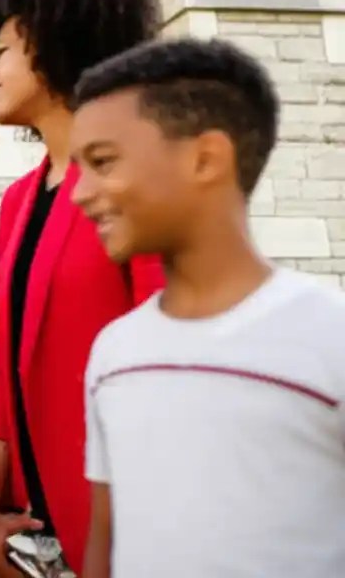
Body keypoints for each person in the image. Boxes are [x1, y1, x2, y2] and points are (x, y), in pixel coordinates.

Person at [72, 38, 345, 577]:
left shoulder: (329, 337)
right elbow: (106, 540)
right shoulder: (115, 352)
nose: (80, 192)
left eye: (102, 162)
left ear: (205, 158)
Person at [0, 0, 165, 575]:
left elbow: (160, 361)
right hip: (34, 532)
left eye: (6, 50)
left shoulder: (136, 183)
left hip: (124, 521)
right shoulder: (18, 201)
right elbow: (4, 361)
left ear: (60, 45)